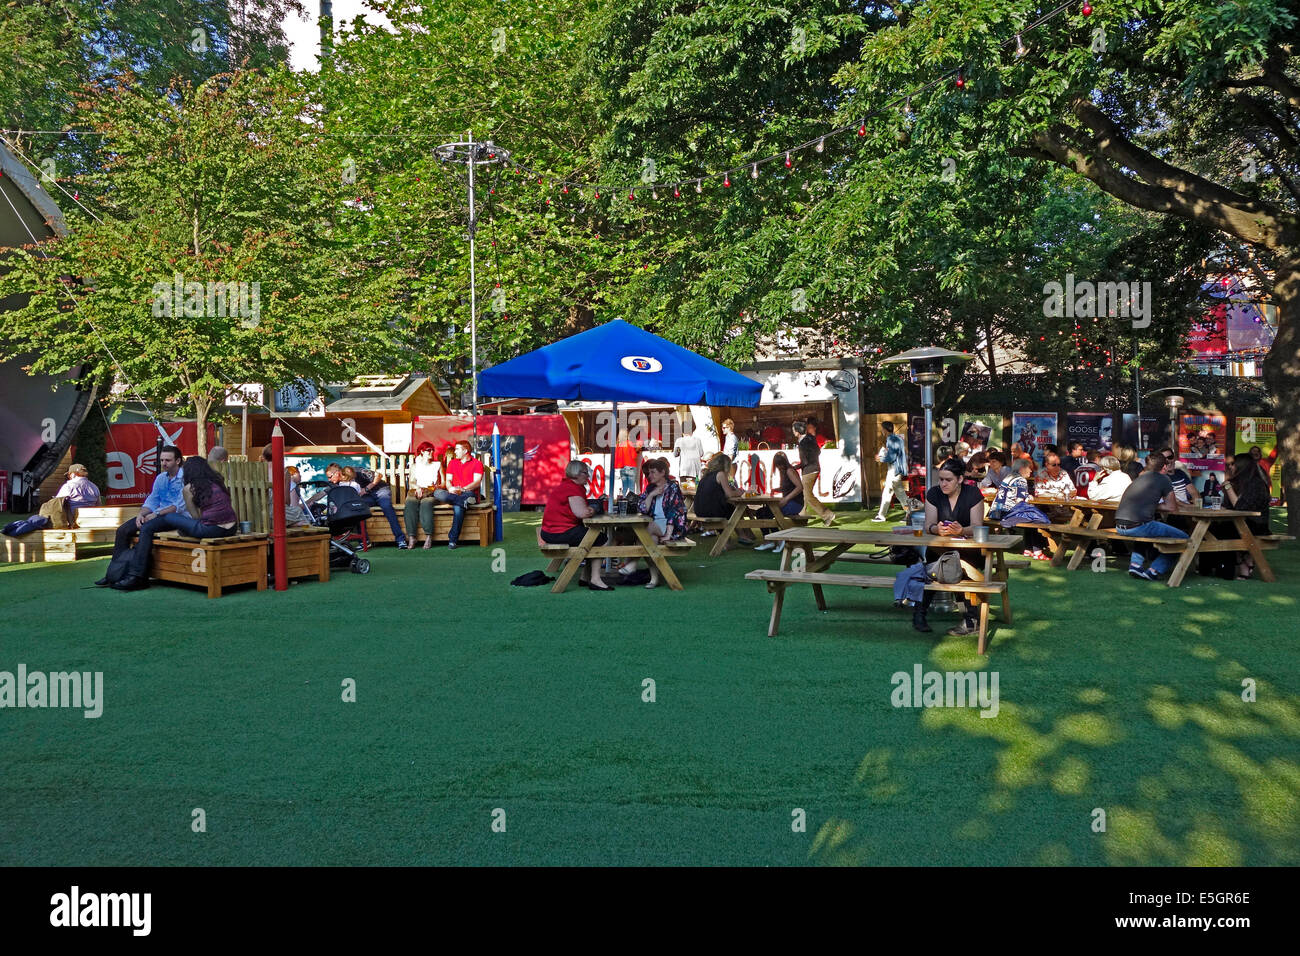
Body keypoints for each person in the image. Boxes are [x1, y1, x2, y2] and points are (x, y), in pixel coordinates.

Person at [97, 445, 187, 590]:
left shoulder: (185, 479)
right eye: (162, 460)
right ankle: (113, 574)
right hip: (157, 514)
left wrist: (155, 514)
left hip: (176, 517)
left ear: (178, 461)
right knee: (123, 530)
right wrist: (141, 514)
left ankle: (137, 577)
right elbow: (152, 500)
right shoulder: (160, 478)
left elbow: (179, 506)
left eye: (168, 460)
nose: (164, 463)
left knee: (146, 528)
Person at [913, 458, 985, 636]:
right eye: (941, 479)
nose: (943, 484)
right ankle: (919, 614)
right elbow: (928, 526)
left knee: (961, 565)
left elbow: (977, 526)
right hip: (941, 548)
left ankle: (971, 618)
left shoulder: (973, 494)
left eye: (948, 480)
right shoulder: (934, 494)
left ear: (960, 479)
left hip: (969, 550)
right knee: (932, 565)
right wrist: (936, 529)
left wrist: (962, 530)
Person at [1114, 453, 1188, 580]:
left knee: (1145, 530)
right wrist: (1153, 505)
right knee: (1183, 538)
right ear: (1164, 467)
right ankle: (1154, 570)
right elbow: (1172, 507)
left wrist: (1149, 504)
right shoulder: (1164, 479)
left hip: (1119, 526)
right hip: (1137, 526)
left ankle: (1135, 565)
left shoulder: (1140, 477)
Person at [540, 460, 611, 590]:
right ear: (576, 474)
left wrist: (589, 509)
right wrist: (594, 509)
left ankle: (585, 576)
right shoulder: (572, 488)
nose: (588, 476)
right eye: (585, 473)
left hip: (551, 531)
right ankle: (595, 579)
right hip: (558, 532)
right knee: (601, 540)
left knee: (592, 538)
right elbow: (582, 513)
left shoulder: (567, 486)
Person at [630, 457, 688, 588]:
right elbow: (641, 508)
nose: (649, 475)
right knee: (651, 540)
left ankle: (632, 562)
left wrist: (668, 534)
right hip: (657, 526)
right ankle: (654, 578)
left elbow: (675, 511)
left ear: (663, 472)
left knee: (644, 530)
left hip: (674, 528)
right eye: (649, 473)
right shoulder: (651, 488)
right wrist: (651, 495)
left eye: (653, 472)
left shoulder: (673, 487)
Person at [990, 457, 1050, 560]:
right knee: (1036, 520)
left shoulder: (1008, 477)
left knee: (1029, 519)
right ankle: (1037, 552)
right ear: (1022, 468)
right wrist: (1028, 497)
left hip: (996, 513)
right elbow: (1019, 501)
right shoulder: (1021, 480)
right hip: (1008, 514)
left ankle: (1028, 549)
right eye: (1029, 468)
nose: (1031, 471)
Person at [1224, 453, 1271, 579]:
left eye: (1233, 464)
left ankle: (1242, 565)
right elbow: (1228, 506)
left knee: (1226, 529)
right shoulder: (1238, 484)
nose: (1230, 467)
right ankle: (1216, 568)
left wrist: (1228, 487)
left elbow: (1240, 507)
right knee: (1216, 528)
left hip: (1257, 525)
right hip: (1241, 522)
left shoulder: (1256, 484)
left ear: (1241, 466)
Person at [693, 454, 756, 546]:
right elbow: (729, 494)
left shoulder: (706, 475)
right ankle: (742, 536)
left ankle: (733, 539)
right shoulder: (720, 474)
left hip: (699, 510)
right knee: (733, 509)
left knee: (729, 509)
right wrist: (740, 493)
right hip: (710, 511)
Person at [433, 440, 483, 549]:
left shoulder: (477, 463)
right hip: (456, 494)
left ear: (465, 450)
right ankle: (463, 502)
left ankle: (452, 540)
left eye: (457, 449)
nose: (455, 452)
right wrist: (450, 488)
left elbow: (477, 482)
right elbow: (448, 480)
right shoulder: (453, 463)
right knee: (437, 493)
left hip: (468, 493)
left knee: (458, 508)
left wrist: (463, 489)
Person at [403, 442, 444, 549]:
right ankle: (412, 537)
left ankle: (429, 536)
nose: (432, 452)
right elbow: (411, 482)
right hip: (417, 491)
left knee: (426, 503)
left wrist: (436, 486)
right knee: (410, 502)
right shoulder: (415, 466)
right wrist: (417, 487)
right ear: (422, 451)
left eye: (432, 450)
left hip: (431, 492)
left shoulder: (437, 465)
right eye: (429, 450)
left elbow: (444, 483)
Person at [795, 418, 834, 526]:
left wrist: (794, 468)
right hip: (814, 468)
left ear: (797, 432)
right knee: (804, 495)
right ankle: (801, 517)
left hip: (809, 470)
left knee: (807, 495)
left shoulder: (802, 443)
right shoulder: (811, 438)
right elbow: (818, 451)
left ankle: (827, 514)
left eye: (794, 430)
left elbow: (804, 461)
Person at [765, 451, 803, 553]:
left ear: (783, 463)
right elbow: (787, 487)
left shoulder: (790, 471)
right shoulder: (784, 471)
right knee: (762, 512)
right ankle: (771, 540)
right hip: (790, 502)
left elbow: (799, 487)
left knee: (769, 512)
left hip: (796, 503)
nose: (779, 468)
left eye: (779, 466)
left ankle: (779, 539)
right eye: (778, 466)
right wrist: (776, 490)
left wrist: (786, 499)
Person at [873, 420, 908, 521]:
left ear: (885, 429)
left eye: (882, 429)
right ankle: (882, 515)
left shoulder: (890, 439)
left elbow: (892, 457)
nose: (882, 431)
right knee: (897, 493)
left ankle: (881, 515)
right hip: (898, 469)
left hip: (893, 470)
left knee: (892, 493)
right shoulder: (898, 438)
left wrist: (881, 458)